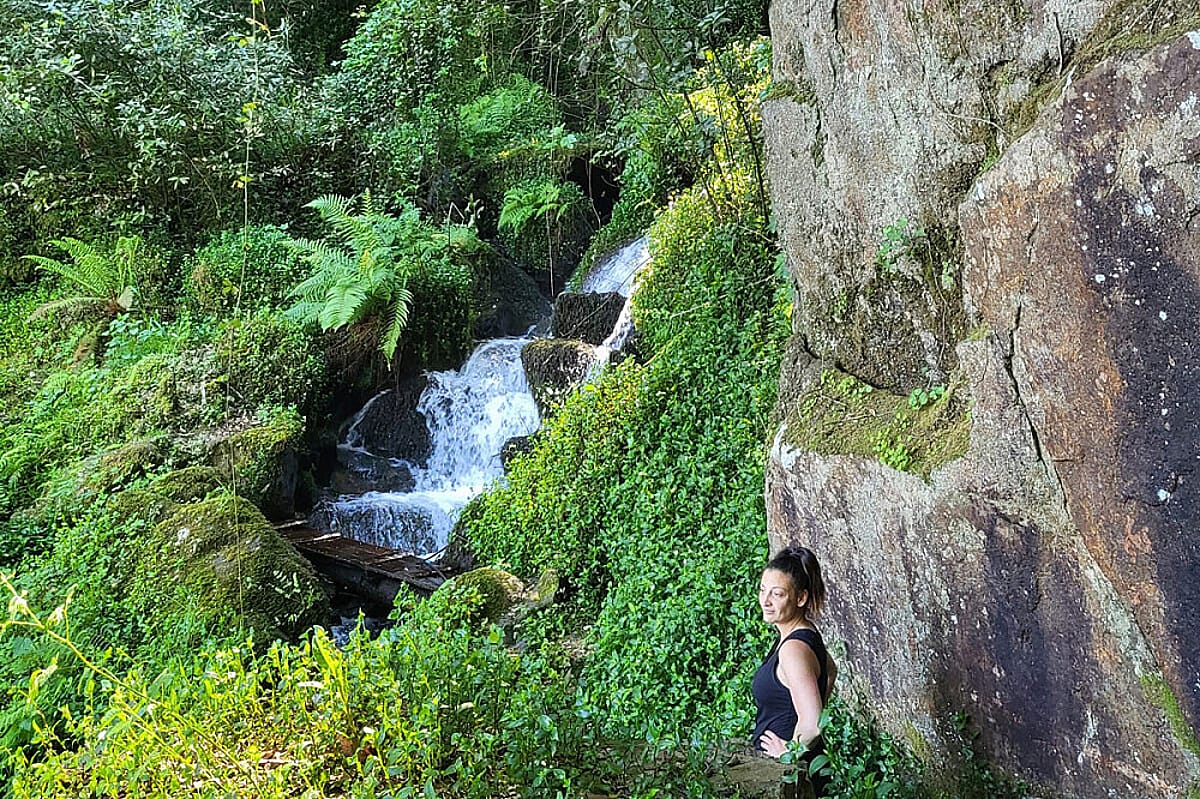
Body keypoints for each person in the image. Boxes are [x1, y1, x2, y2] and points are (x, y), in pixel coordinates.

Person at [752, 546, 837, 796]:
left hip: (794, 777)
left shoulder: (793, 650)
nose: (765, 601)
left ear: (800, 598)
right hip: (796, 771)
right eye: (762, 590)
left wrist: (790, 752)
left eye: (777, 594)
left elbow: (813, 724)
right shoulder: (802, 635)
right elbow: (830, 670)